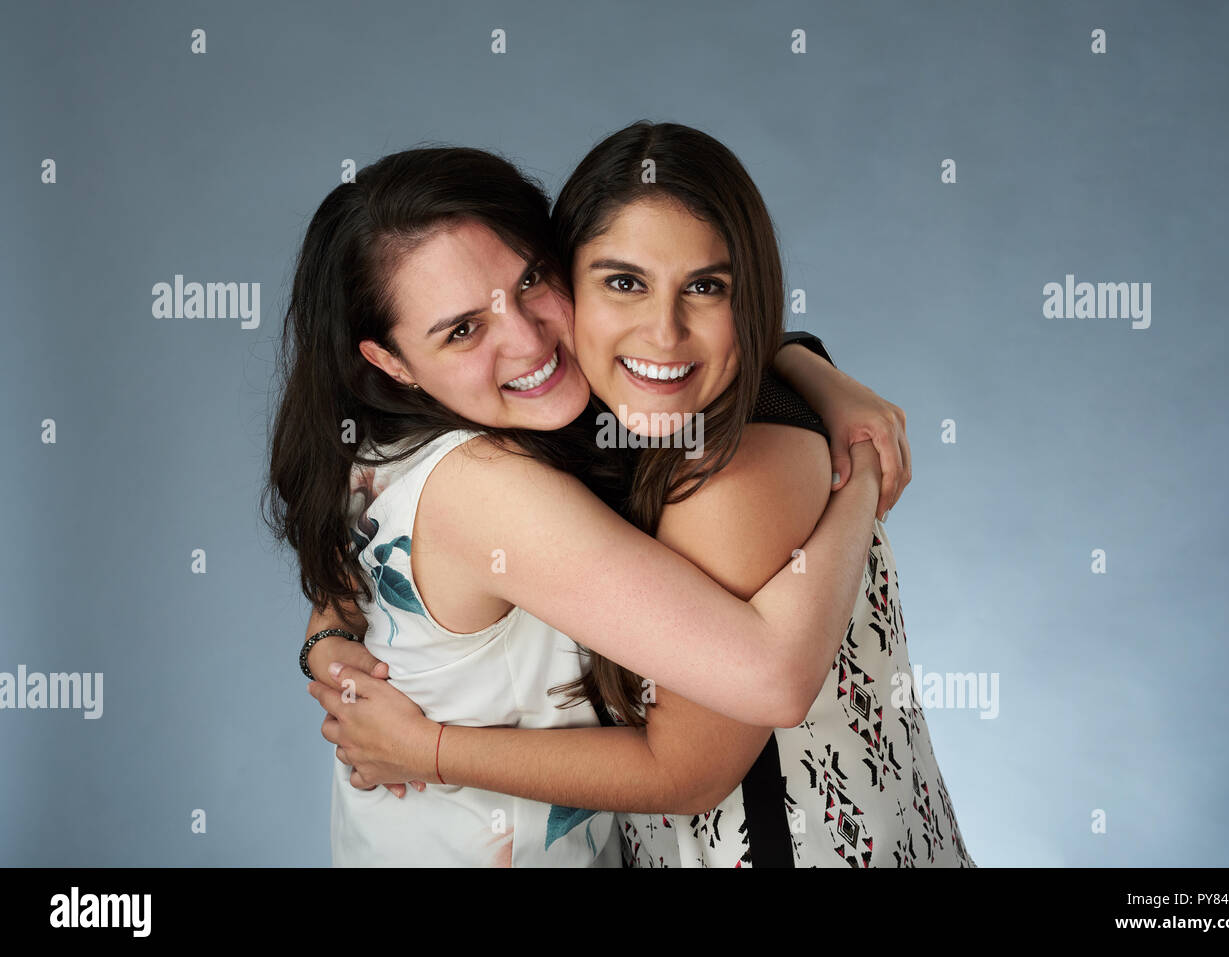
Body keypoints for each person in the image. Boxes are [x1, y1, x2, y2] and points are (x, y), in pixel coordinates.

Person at [313, 122, 973, 867]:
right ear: (391, 362)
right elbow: (765, 686)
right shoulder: (497, 467)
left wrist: (825, 402)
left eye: (530, 281)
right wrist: (854, 456)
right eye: (462, 328)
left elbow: (743, 713)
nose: (528, 342)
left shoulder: (693, 462)